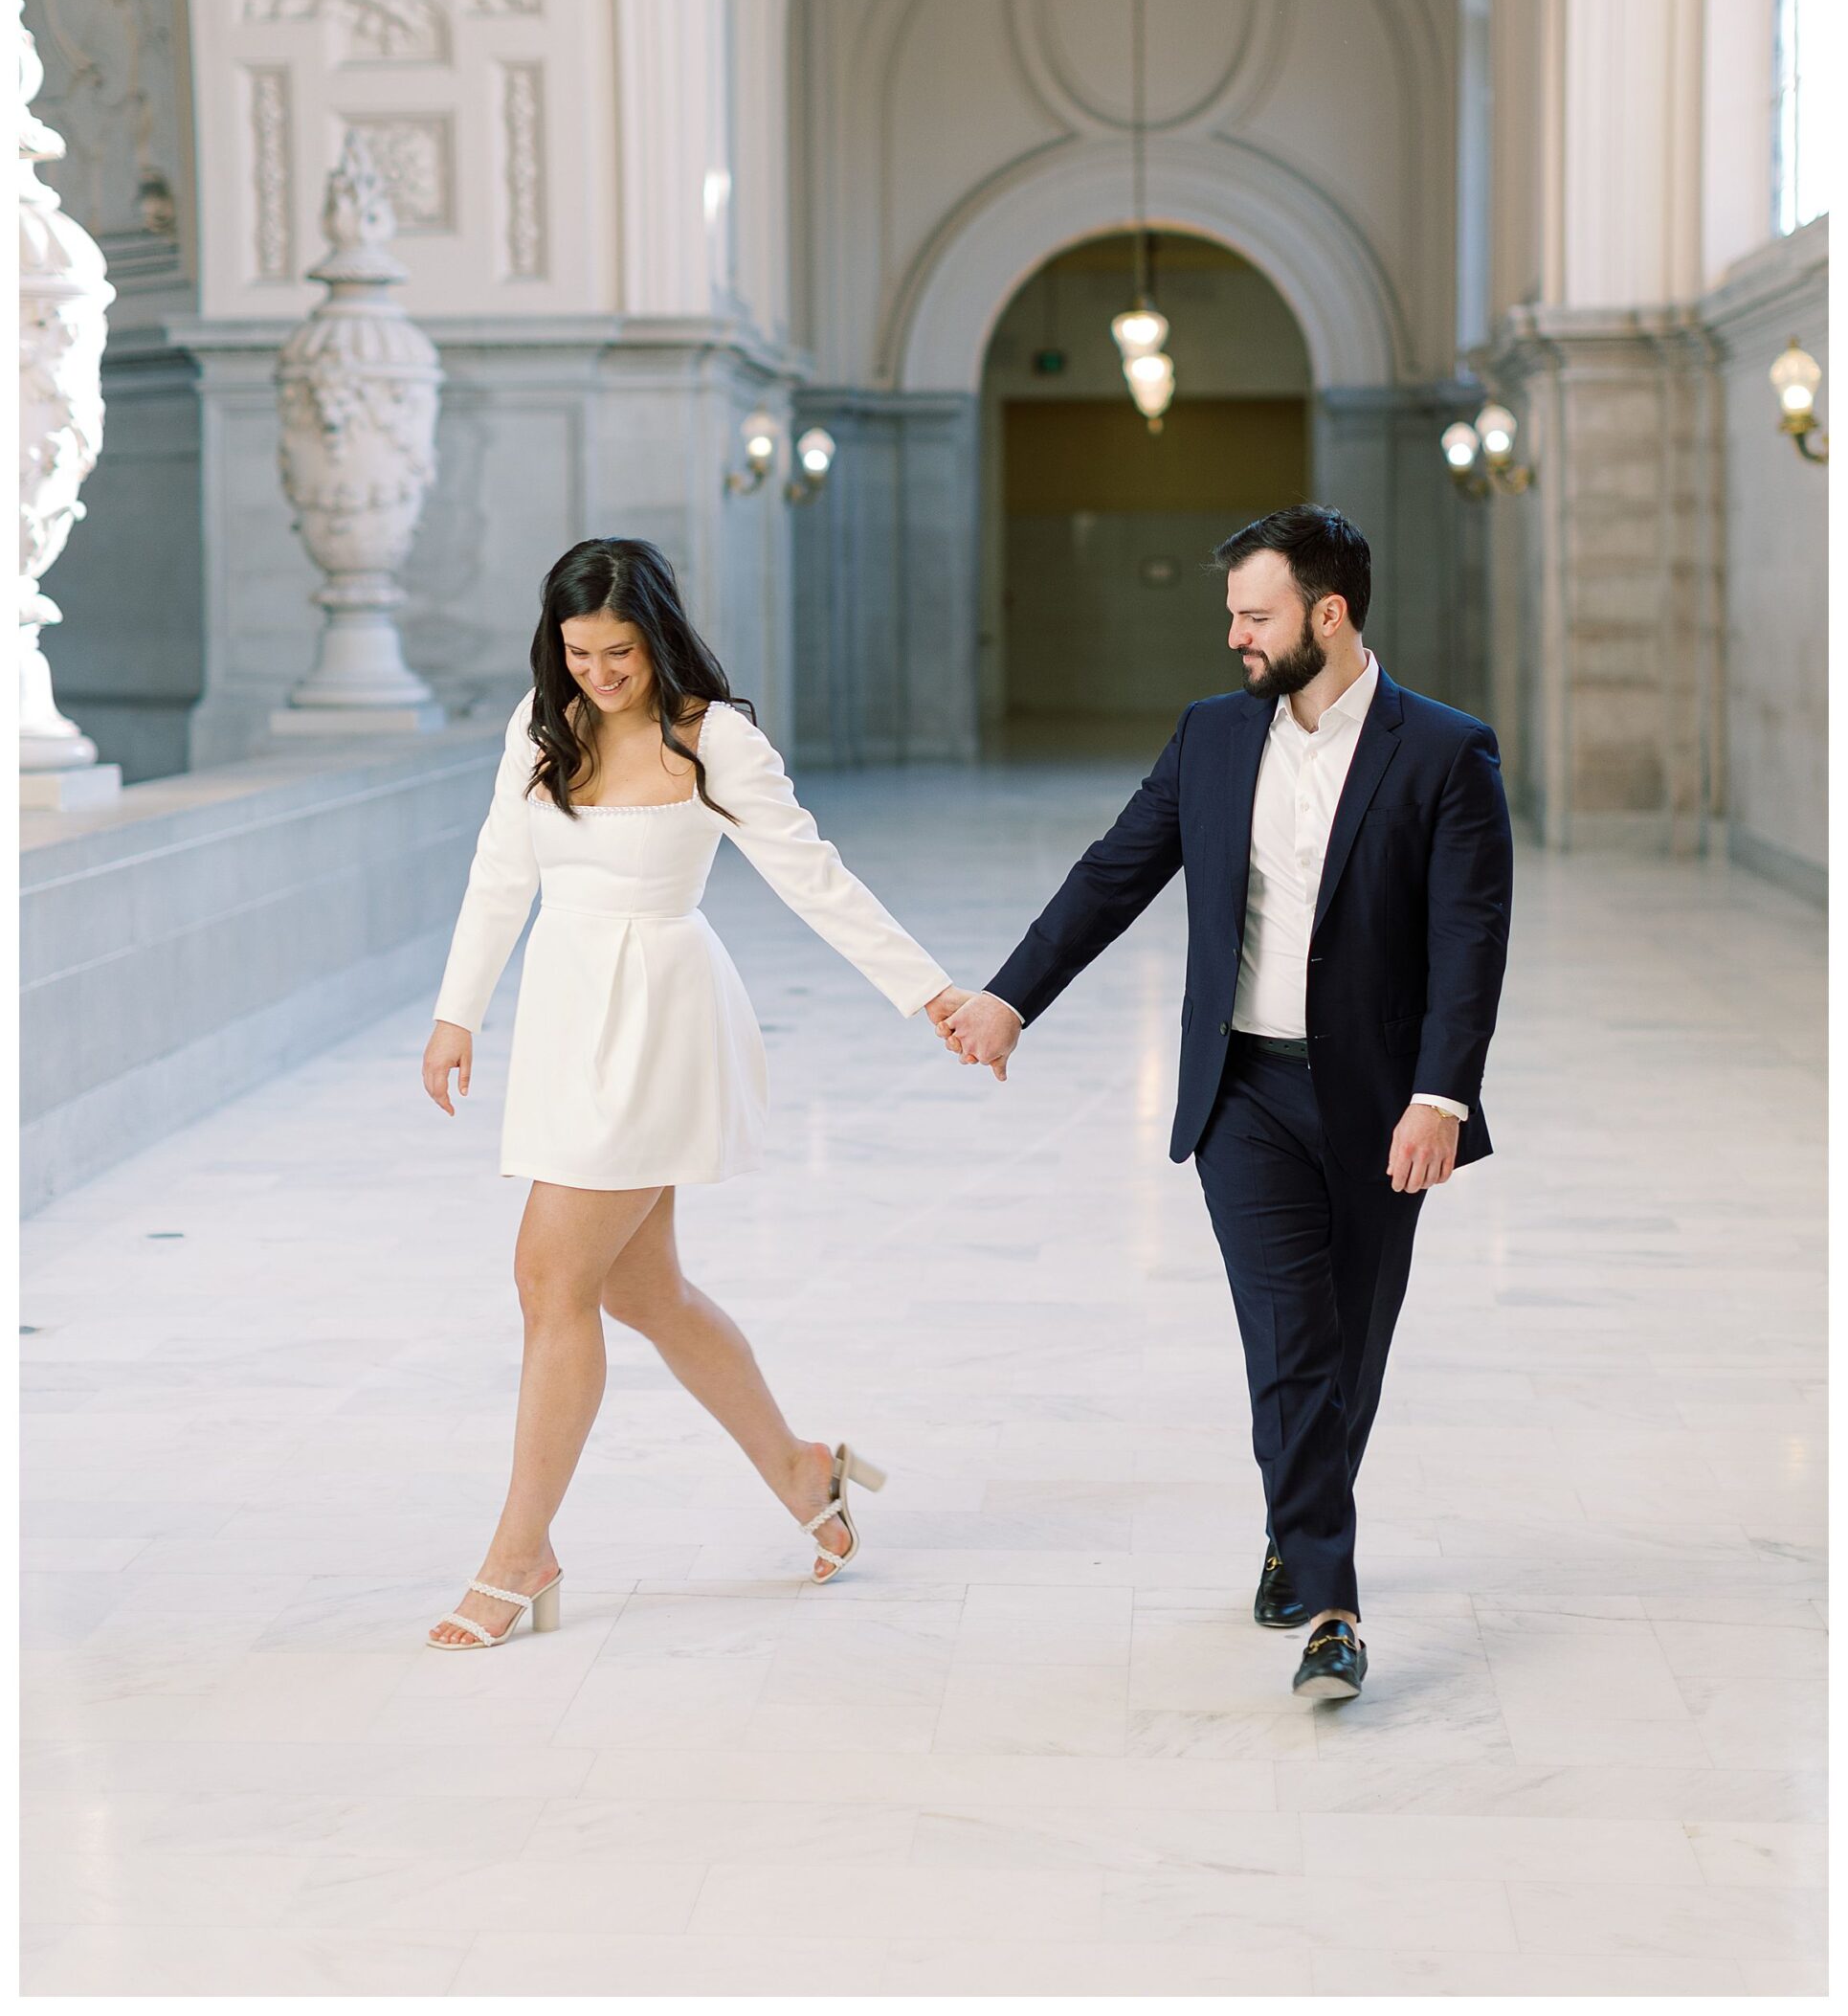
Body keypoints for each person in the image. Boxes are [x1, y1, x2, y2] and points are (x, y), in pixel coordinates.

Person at [935, 505, 1513, 1701]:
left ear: (1328, 614)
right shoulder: (1208, 738)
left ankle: (1292, 1529)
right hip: (1239, 1089)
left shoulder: (1444, 751)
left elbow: (1469, 940)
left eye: (1255, 616)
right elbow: (1111, 873)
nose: (1236, 639)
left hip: (1381, 1104)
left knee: (1349, 1347)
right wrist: (1008, 999)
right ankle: (1333, 1608)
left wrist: (1440, 1096)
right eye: (1232, 617)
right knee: (1290, 1343)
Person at [420, 537, 959, 1649]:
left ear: (656, 635)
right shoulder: (536, 730)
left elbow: (815, 875)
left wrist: (929, 992)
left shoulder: (715, 738)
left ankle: (521, 1553)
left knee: (546, 1274)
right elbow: (497, 870)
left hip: (659, 1017)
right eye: (577, 651)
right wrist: (455, 1010)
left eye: (617, 650)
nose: (598, 673)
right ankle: (801, 1467)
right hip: (567, 1015)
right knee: (641, 1291)